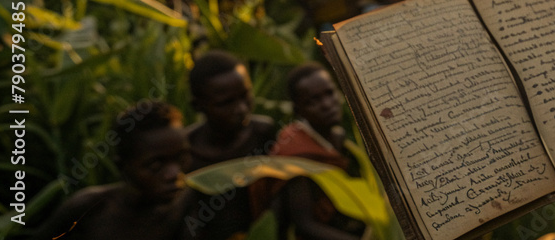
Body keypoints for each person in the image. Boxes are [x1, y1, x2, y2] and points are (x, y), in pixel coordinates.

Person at [36, 101, 192, 240]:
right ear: (122, 166)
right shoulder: (89, 209)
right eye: (155, 165)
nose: (174, 174)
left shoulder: (190, 208)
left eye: (181, 159)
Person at [256, 63, 364, 240]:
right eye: (314, 101)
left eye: (330, 93)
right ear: (298, 110)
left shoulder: (337, 136)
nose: (327, 104)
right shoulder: (295, 153)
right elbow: (305, 225)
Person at [183, 50, 278, 239]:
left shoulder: (263, 134)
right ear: (198, 105)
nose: (242, 109)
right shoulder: (185, 150)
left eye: (245, 95)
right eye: (226, 103)